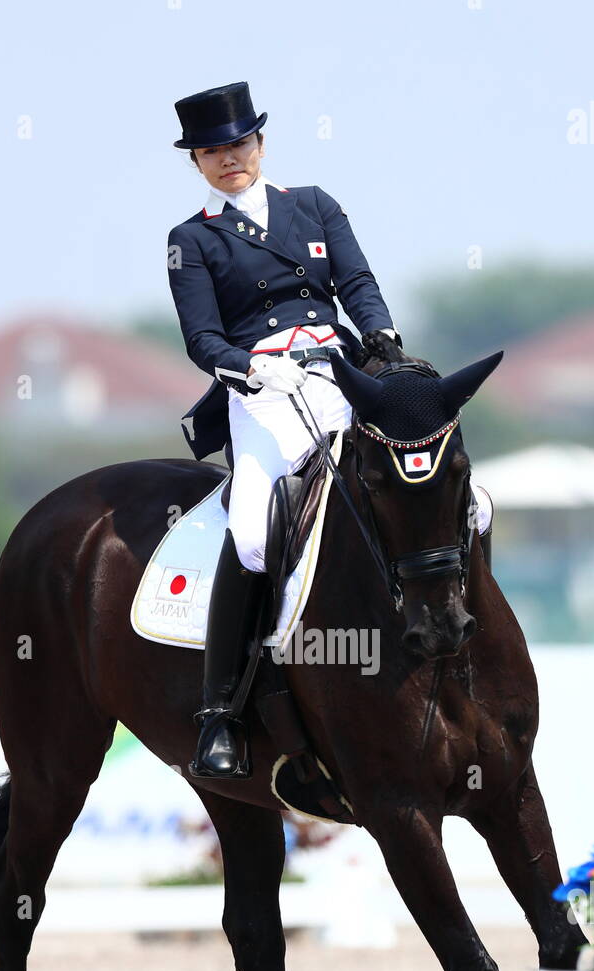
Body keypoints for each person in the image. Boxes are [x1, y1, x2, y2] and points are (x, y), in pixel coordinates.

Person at [167, 81, 399, 778]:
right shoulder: (192, 240)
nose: (229, 159)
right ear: (197, 163)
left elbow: (356, 283)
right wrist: (249, 369)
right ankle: (220, 714)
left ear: (260, 144)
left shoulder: (316, 206)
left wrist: (382, 335)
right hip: (262, 388)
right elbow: (202, 337)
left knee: (429, 480)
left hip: (339, 370)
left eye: (239, 144)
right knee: (254, 532)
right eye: (213, 151)